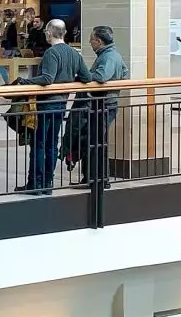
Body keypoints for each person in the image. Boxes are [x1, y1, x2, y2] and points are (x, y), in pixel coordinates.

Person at [13, 20, 86, 195]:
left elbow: (47, 78)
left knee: (39, 145)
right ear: (65, 33)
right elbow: (86, 76)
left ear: (48, 33)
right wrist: (68, 82)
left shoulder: (51, 53)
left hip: (45, 105)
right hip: (61, 105)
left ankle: (35, 184)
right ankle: (47, 183)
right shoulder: (74, 53)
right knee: (52, 145)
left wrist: (25, 81)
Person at [73, 24, 129, 187]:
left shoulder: (108, 56)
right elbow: (125, 73)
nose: (90, 43)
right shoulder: (112, 55)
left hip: (102, 105)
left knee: (95, 142)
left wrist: (85, 76)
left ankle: (95, 179)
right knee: (97, 142)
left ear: (98, 41)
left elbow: (101, 76)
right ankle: (96, 178)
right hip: (106, 104)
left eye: (91, 40)